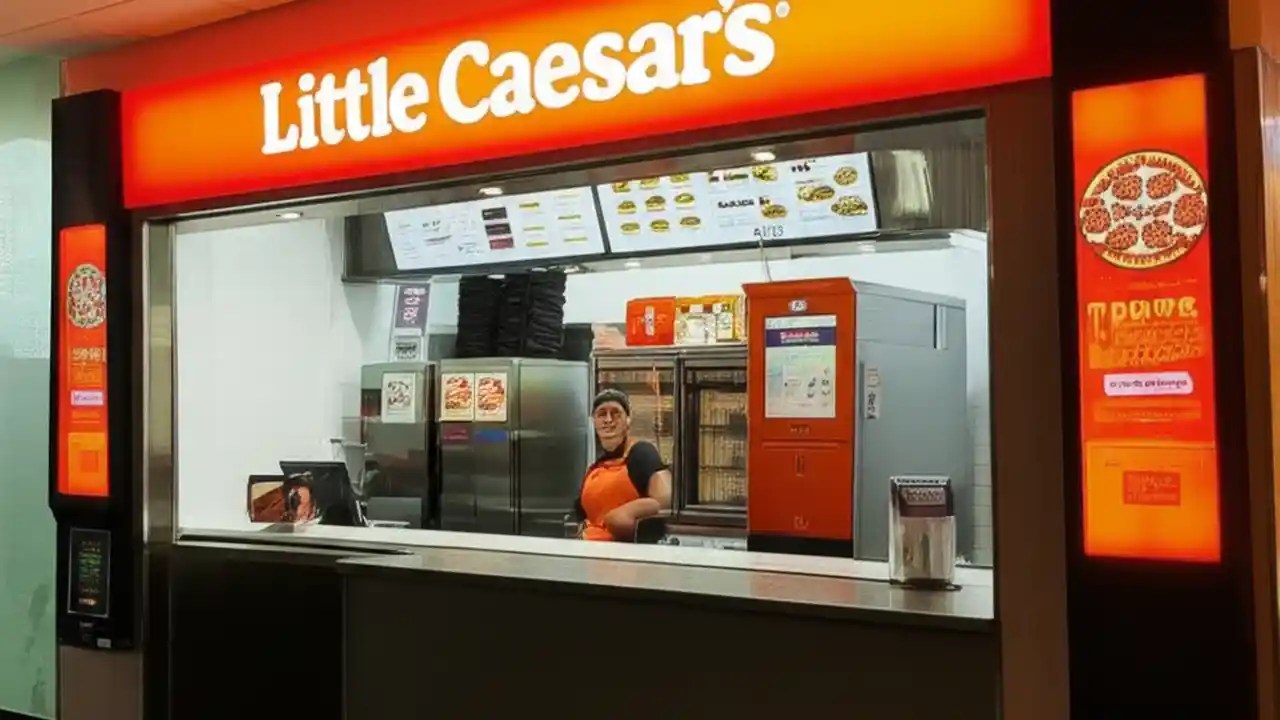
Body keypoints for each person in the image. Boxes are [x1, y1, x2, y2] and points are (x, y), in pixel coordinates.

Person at [575, 389, 672, 541]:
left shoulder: (642, 454)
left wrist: (626, 515)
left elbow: (665, 504)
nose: (608, 420)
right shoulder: (594, 469)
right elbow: (579, 515)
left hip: (629, 557)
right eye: (601, 414)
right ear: (594, 422)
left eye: (616, 413)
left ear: (628, 420)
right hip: (591, 556)